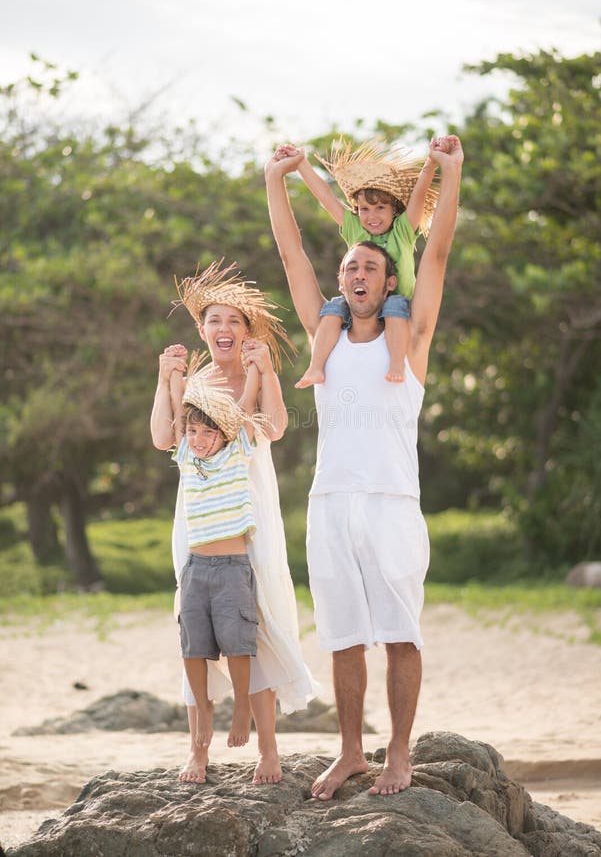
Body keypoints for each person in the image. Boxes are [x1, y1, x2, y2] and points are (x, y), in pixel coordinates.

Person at [264, 134, 463, 800]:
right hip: (329, 508)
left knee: (400, 636)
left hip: (391, 505)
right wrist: (277, 180)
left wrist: (451, 171)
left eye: (369, 270)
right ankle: (349, 751)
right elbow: (291, 254)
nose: (355, 276)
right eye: (348, 267)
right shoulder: (324, 335)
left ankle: (398, 752)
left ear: (386, 282)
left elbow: (435, 250)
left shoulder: (414, 338)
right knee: (343, 638)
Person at [151, 260, 320, 785]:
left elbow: (273, 427)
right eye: (214, 321)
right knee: (193, 632)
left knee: (260, 620)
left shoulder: (254, 374)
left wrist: (266, 371)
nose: (223, 330)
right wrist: (166, 380)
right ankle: (197, 752)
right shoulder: (194, 381)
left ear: (248, 332)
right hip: (199, 518)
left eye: (234, 322)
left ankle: (268, 751)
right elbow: (165, 438)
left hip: (252, 511)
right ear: (201, 329)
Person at [276, 138, 439, 387]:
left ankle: (397, 363)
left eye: (380, 208)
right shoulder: (355, 229)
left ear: (394, 210)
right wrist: (301, 164)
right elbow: (326, 198)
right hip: (360, 304)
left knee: (394, 308)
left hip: (396, 301)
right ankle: (316, 366)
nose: (371, 217)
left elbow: (417, 199)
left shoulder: (402, 231)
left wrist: (430, 163)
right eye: (364, 209)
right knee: (331, 310)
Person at [162, 360, 265, 751]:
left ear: (224, 435)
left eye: (208, 432)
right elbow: (177, 410)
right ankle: (203, 709)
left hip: (232, 569)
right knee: (193, 643)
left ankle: (242, 705)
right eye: (193, 432)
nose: (200, 439)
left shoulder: (237, 452)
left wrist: (254, 368)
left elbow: (246, 405)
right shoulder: (187, 457)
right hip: (196, 569)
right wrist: (173, 377)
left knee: (238, 641)